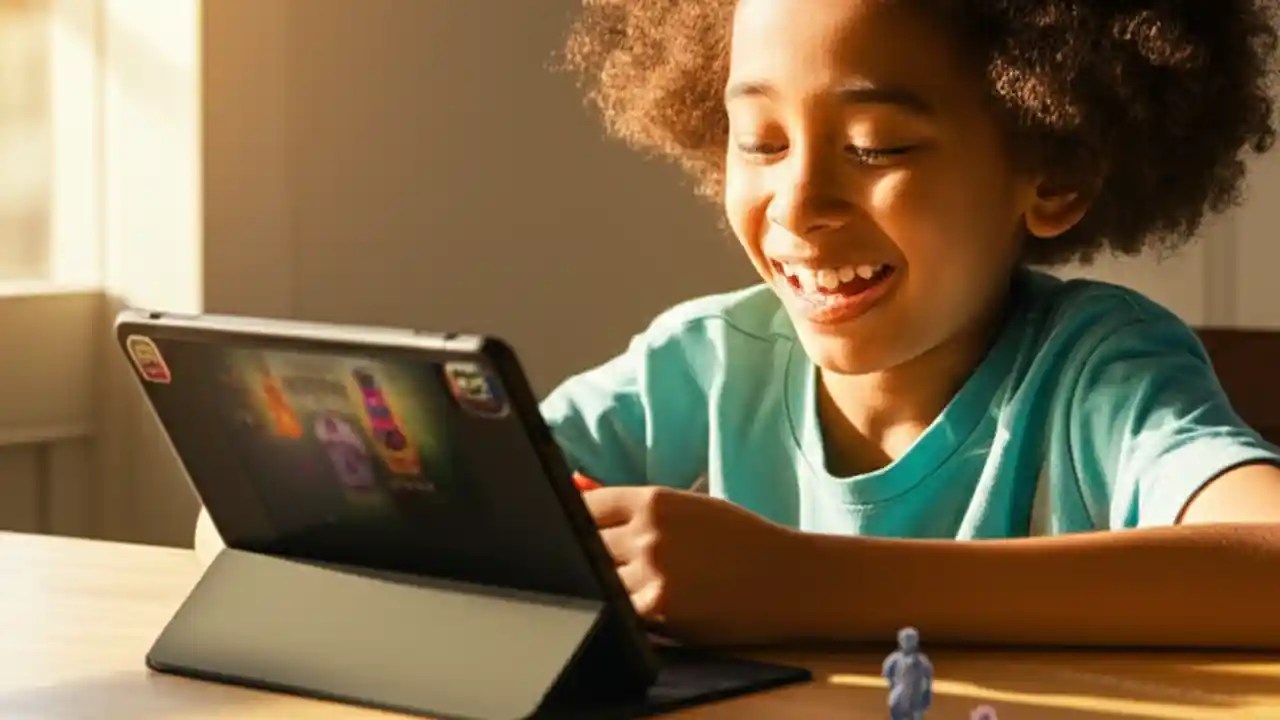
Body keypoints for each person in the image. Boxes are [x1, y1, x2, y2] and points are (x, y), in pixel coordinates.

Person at [196, 0, 1280, 648]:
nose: (798, 207)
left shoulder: (1099, 372)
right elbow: (463, 499)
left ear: (1055, 170)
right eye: (759, 142)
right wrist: (287, 509)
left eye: (876, 146)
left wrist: (802, 583)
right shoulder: (705, 359)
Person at [883, 627, 932, 720]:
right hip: (898, 699)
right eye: (905, 639)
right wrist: (895, 686)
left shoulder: (922, 661)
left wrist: (926, 698)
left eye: (910, 640)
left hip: (916, 700)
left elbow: (927, 681)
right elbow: (887, 674)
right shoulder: (894, 659)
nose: (907, 642)